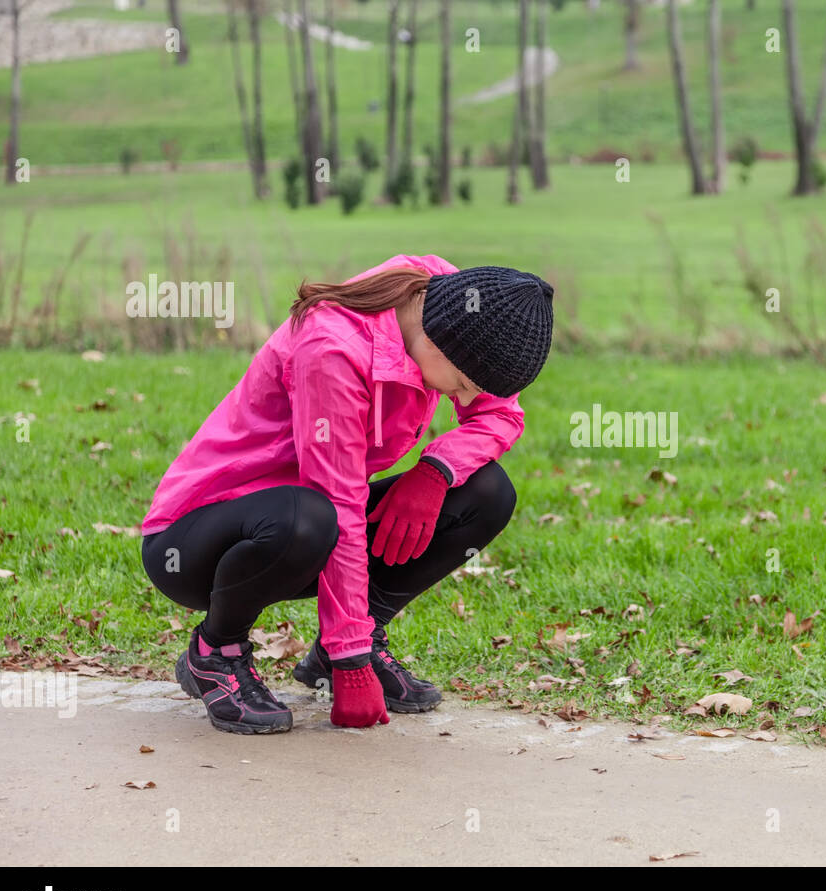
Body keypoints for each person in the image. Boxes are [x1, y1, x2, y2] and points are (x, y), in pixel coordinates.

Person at [139, 254, 554, 734]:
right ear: (440, 345)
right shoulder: (332, 349)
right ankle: (216, 652)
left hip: (307, 520)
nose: (462, 399)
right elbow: (339, 503)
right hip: (196, 539)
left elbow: (500, 415)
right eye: (462, 385)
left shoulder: (452, 302)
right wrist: (350, 662)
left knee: (487, 491)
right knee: (310, 519)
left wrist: (436, 472)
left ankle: (344, 647)